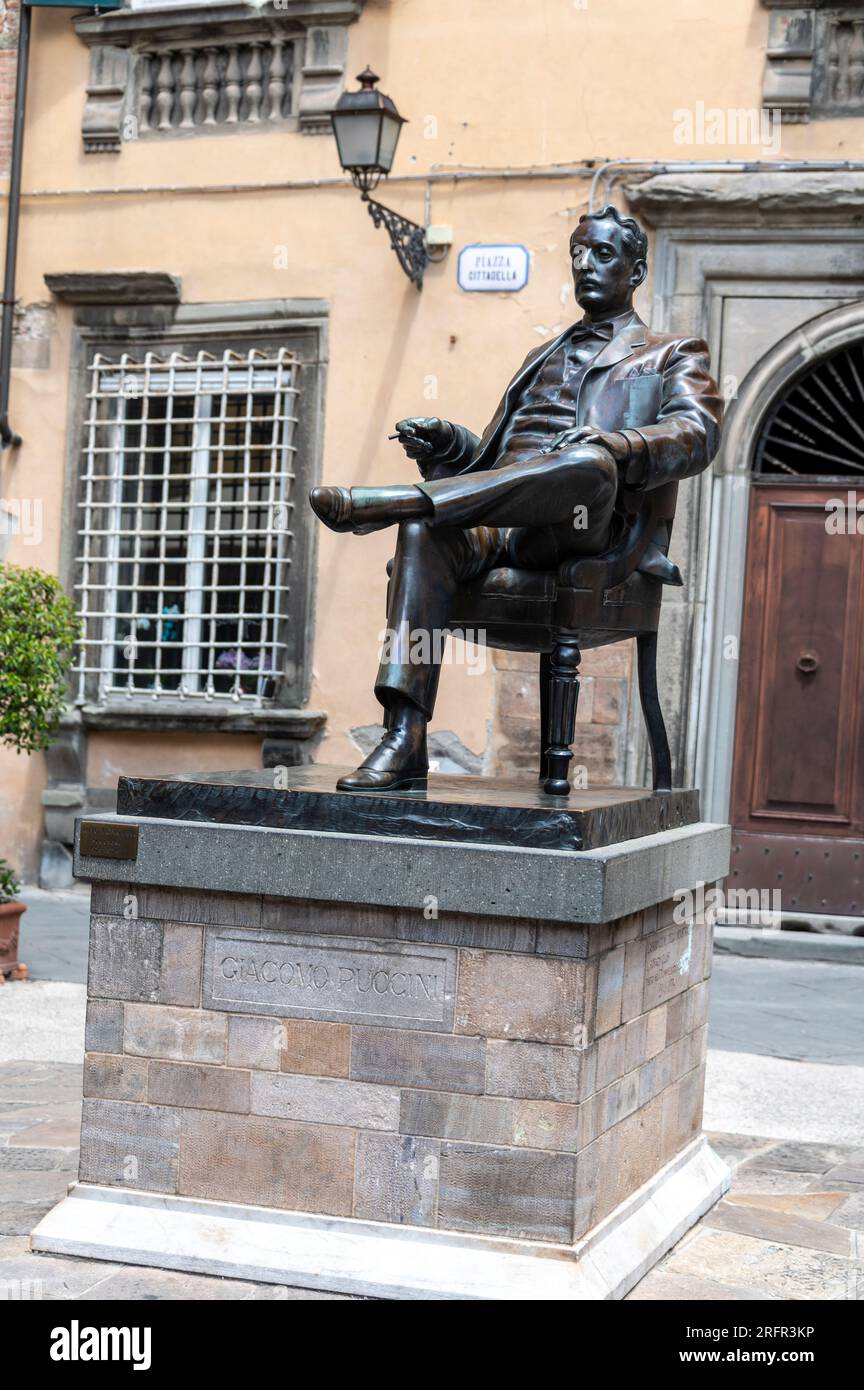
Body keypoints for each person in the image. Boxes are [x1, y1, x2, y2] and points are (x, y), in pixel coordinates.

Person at [310, 206, 722, 790]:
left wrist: (619, 442)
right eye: (578, 252)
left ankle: (403, 500)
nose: (585, 263)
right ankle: (405, 738)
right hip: (504, 520)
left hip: (580, 525)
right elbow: (498, 467)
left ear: (636, 271)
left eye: (603, 254)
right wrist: (452, 442)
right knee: (425, 532)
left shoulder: (670, 353)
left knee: (586, 462)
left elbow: (697, 435)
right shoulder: (539, 358)